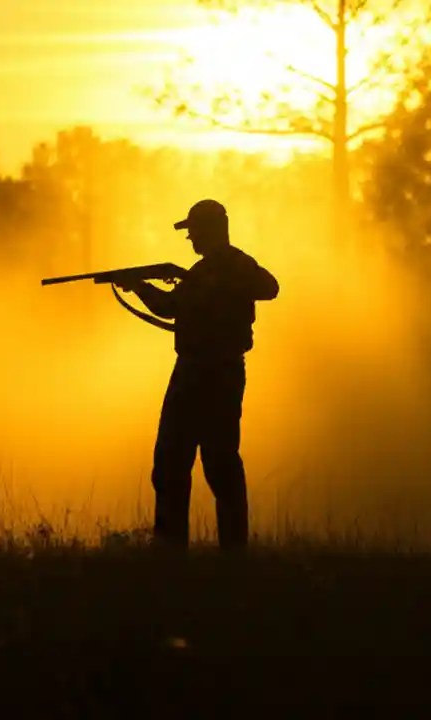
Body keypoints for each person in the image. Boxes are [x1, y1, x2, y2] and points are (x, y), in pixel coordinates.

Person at [116, 199, 279, 550]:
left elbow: (269, 288)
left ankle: (201, 552)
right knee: (187, 463)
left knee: (205, 464)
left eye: (194, 231)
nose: (190, 239)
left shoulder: (231, 267)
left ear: (211, 230)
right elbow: (179, 306)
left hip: (209, 374)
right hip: (206, 372)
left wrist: (140, 286)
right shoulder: (205, 272)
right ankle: (193, 551)